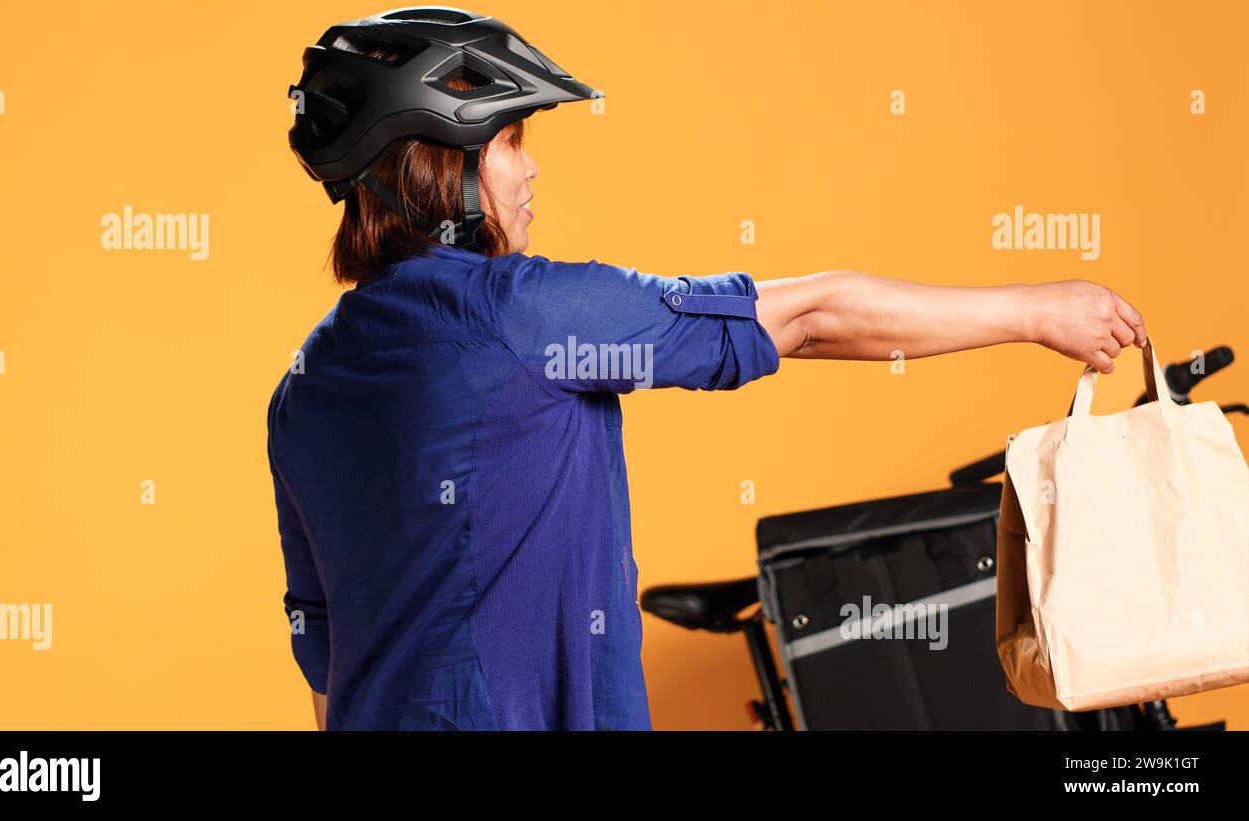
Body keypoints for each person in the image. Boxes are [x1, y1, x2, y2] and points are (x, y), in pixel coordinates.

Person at [267, 7, 1148, 731]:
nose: (530, 168)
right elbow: (806, 316)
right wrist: (1038, 309)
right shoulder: (519, 312)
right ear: (440, 161)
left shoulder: (303, 389)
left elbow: (325, 655)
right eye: (509, 141)